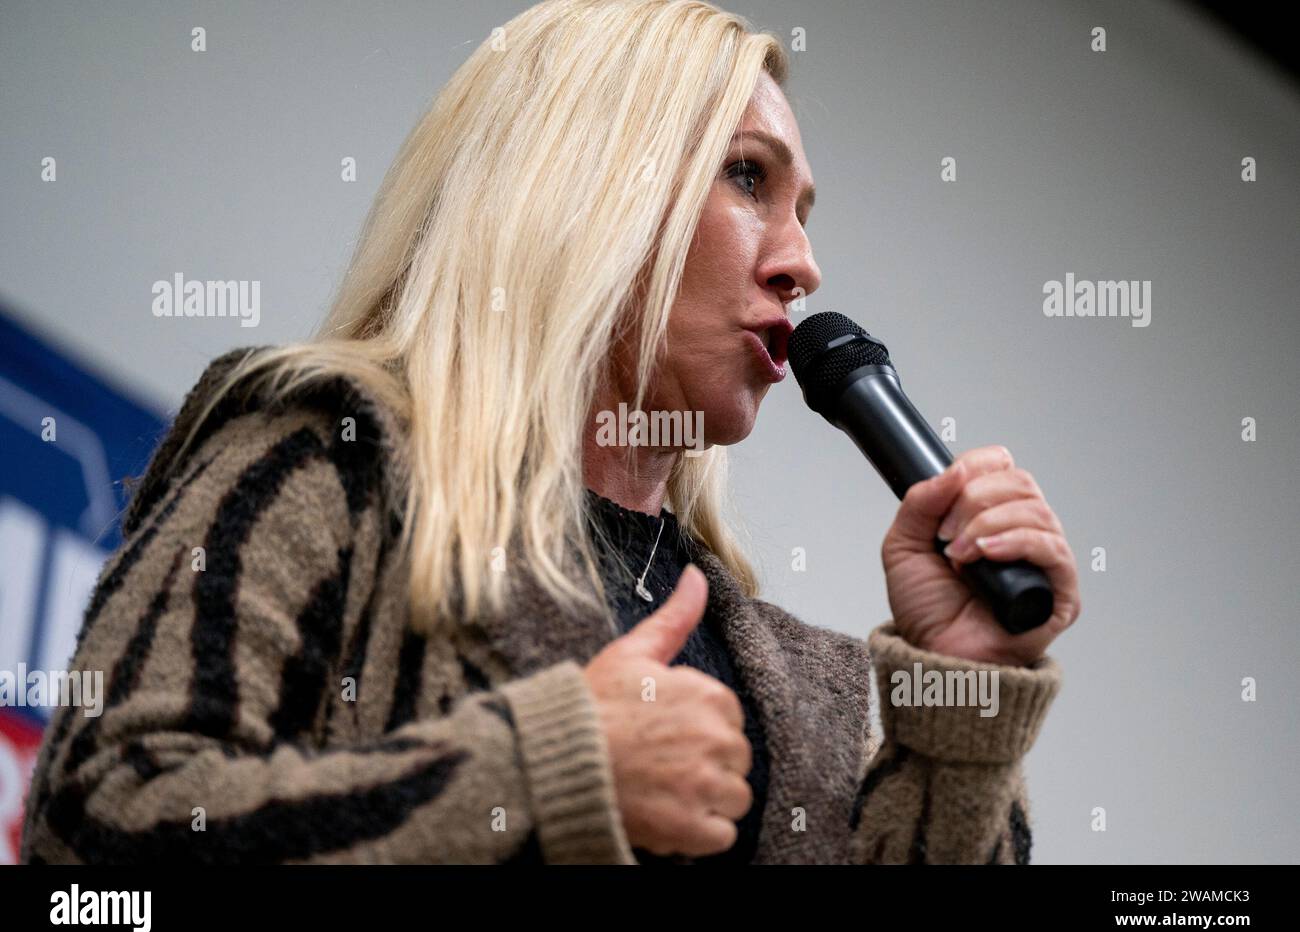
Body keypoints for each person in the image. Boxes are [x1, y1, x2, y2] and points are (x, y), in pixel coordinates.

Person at [21, 0, 1078, 865]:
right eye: (748, 178)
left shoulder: (817, 695)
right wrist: (542, 773)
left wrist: (961, 705)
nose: (803, 265)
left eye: (803, 211)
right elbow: (98, 824)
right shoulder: (327, 459)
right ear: (580, 188)